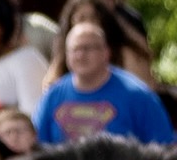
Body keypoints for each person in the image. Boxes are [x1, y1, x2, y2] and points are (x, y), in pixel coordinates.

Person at [35, 21, 175, 145]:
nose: (80, 55)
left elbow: (164, 148)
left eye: (87, 48)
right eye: (74, 50)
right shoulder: (52, 97)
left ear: (106, 53)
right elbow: (35, 147)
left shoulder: (138, 96)